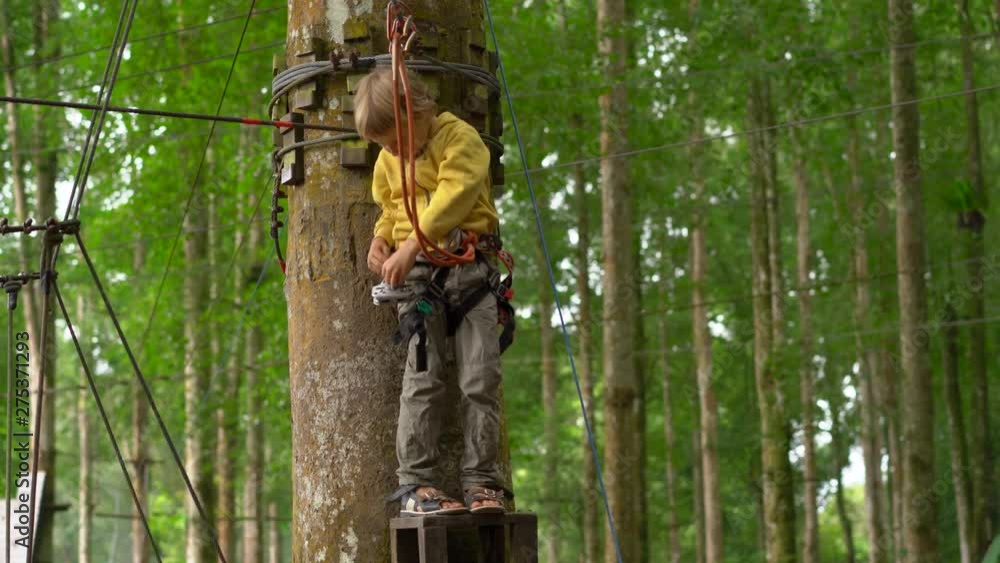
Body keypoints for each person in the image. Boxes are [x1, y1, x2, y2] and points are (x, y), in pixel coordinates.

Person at [355, 67, 510, 516]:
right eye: (383, 145)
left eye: (395, 140)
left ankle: (483, 484)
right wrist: (381, 239)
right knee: (422, 380)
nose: (391, 151)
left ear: (415, 110)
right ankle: (416, 486)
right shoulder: (389, 161)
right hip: (421, 283)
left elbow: (454, 194)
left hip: (470, 276)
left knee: (480, 380)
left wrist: (409, 245)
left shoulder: (458, 139)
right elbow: (389, 205)